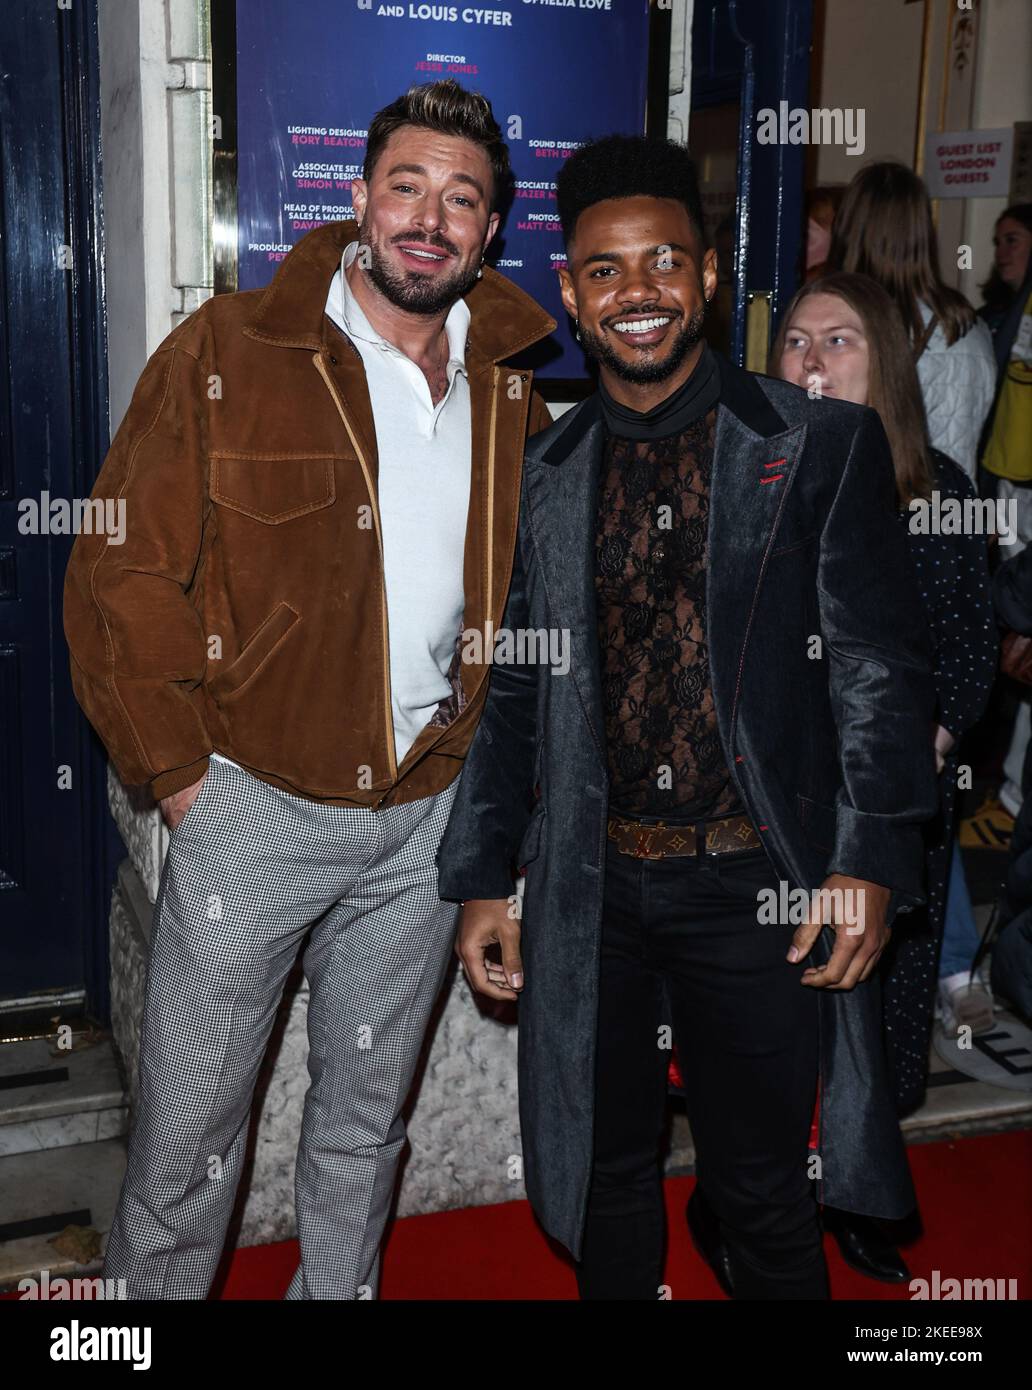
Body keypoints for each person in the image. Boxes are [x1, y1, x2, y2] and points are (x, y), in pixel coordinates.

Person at [62, 79, 556, 1300]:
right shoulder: (231, 348)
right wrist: (182, 782)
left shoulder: (510, 394)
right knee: (185, 1152)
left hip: (423, 820)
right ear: (357, 198)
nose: (430, 219)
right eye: (408, 187)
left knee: (363, 1124)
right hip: (255, 813)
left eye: (462, 199)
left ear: (490, 231)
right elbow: (121, 569)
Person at [435, 135, 938, 1301]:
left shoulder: (816, 444)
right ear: (571, 293)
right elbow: (515, 684)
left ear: (710, 275)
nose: (638, 292)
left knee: (762, 1191)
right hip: (594, 890)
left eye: (664, 260)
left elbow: (875, 667)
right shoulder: (547, 470)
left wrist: (866, 857)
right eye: (605, 271)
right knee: (606, 1175)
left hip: (753, 885)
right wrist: (478, 878)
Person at [774, 270, 996, 1282]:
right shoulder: (756, 475)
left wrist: (918, 756)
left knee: (879, 1013)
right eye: (795, 341)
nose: (813, 360)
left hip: (893, 804)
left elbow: (968, 651)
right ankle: (764, 1202)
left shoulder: (939, 491)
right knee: (780, 1017)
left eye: (840, 340)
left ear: (887, 365)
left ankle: (857, 1196)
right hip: (775, 807)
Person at [828, 161, 996, 485]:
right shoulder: (966, 325)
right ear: (922, 232)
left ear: (849, 227)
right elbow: (960, 454)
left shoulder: (839, 321)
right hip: (943, 515)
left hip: (873, 510)